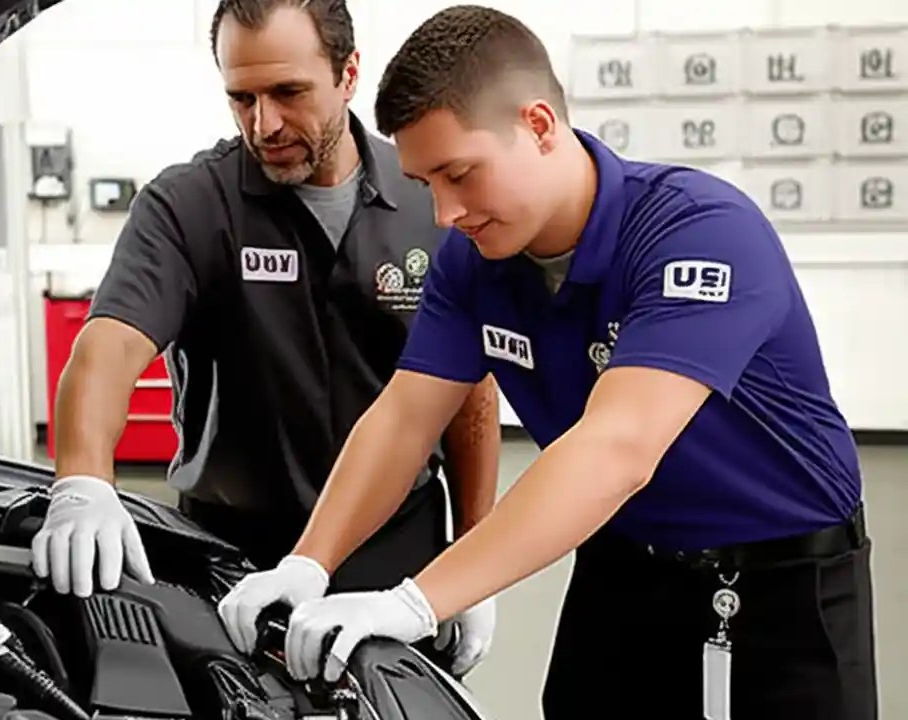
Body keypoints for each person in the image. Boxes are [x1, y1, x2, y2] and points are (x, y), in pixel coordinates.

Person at [217, 5, 879, 719]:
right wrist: (308, 563)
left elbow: (616, 450)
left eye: (459, 174)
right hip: (623, 568)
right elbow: (405, 419)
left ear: (537, 125)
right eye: (425, 182)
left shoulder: (700, 232)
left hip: (782, 587)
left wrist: (422, 598)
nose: (443, 213)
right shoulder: (473, 264)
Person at [28, 0, 502, 677]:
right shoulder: (189, 207)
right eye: (241, 98)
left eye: (288, 93)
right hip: (232, 560)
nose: (264, 123)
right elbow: (107, 347)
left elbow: (469, 390)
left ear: (348, 74)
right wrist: (81, 480)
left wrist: (472, 555)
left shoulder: (432, 196)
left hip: (394, 557)